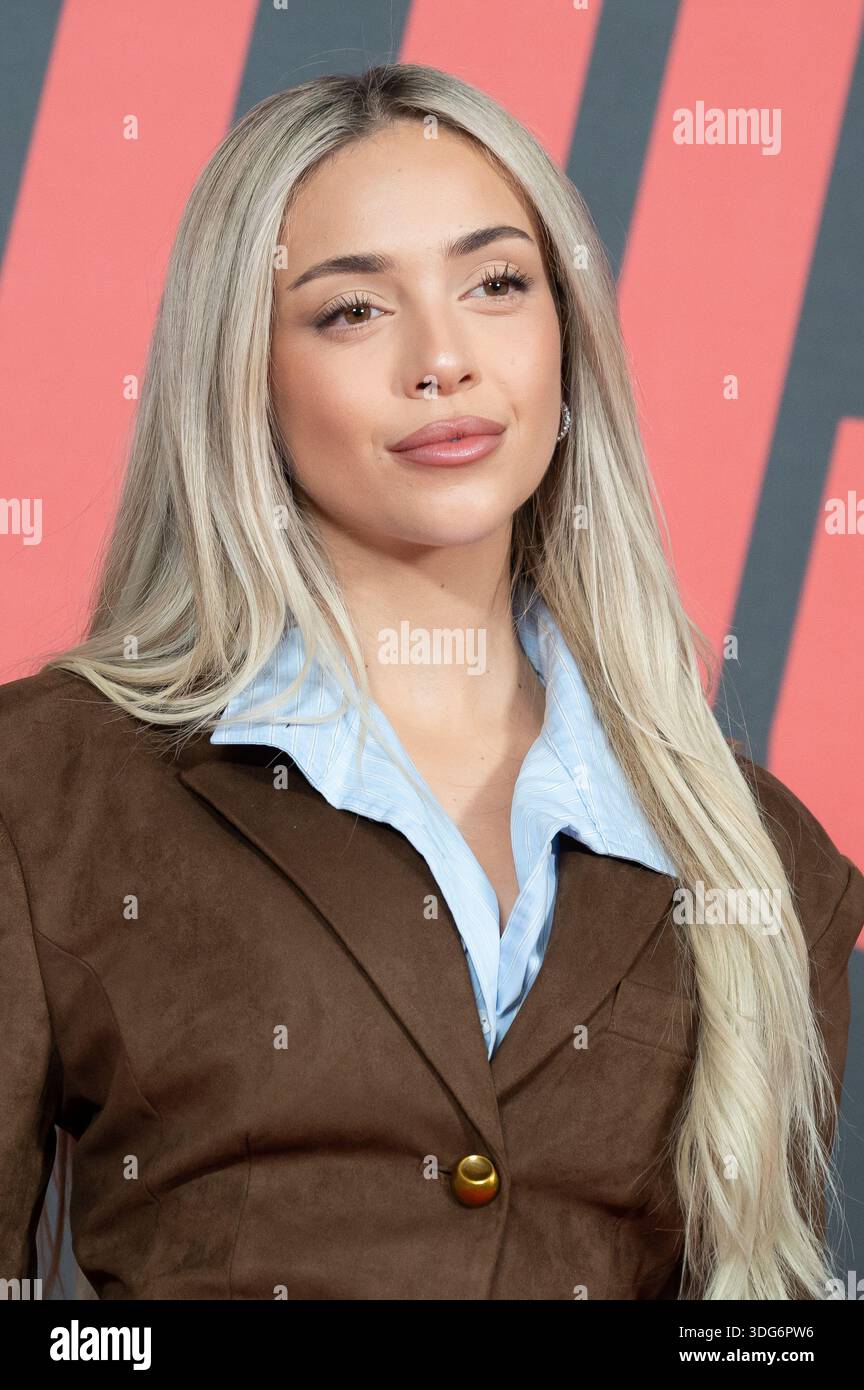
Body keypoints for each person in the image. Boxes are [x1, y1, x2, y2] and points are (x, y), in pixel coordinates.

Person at [1, 63, 861, 1302]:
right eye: (353, 310)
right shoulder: (44, 790)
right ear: (244, 373)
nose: (443, 358)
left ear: (567, 333)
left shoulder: (764, 857)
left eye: (497, 284)